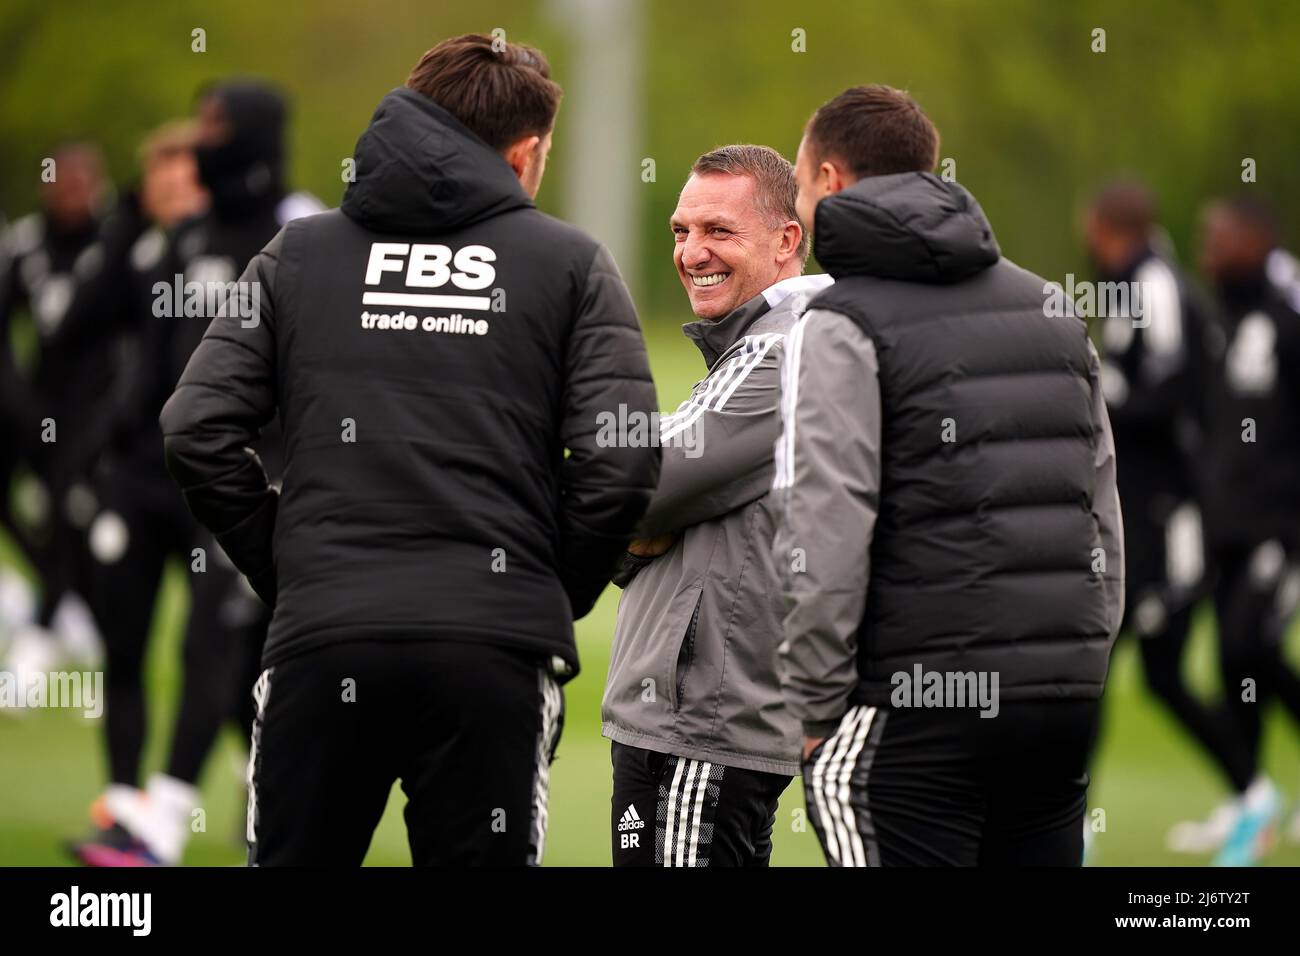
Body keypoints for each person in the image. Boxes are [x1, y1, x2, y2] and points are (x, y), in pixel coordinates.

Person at [158, 34, 661, 866]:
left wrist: (290, 567)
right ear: (526, 152)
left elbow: (195, 428)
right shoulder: (571, 263)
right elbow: (623, 457)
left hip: (324, 640)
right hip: (490, 655)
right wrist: (542, 587)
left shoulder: (301, 253)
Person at [773, 85, 1124, 866]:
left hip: (914, 706)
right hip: (1058, 703)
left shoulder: (841, 320)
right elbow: (1101, 515)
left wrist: (815, 703)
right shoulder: (1055, 309)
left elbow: (828, 527)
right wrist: (1076, 666)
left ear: (830, 180)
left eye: (800, 182)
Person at [71, 87, 321, 866]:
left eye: (215, 127)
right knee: (129, 637)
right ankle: (127, 808)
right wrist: (103, 467)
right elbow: (136, 358)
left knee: (214, 644)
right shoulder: (184, 238)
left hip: (249, 477)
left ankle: (168, 818)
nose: (202, 144)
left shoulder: (299, 231)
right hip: (151, 474)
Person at [602, 145, 827, 867]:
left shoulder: (782, 348)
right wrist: (629, 531)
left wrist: (626, 524)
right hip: (690, 722)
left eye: (718, 231)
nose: (693, 251)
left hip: (701, 725)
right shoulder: (755, 344)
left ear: (786, 240)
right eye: (679, 231)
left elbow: (643, 477)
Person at [1082, 180, 1250, 854]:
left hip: (1170, 516)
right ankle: (1252, 795)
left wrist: (1099, 392)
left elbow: (1172, 390)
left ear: (1103, 227)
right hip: (1144, 510)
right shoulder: (1135, 283)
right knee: (1141, 670)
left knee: (1115, 662)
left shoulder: (1152, 284)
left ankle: (1072, 825)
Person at [1196, 196, 1300, 866]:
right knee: (1235, 662)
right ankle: (1252, 809)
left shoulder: (1288, 320)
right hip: (1226, 522)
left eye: (1221, 237)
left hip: (1280, 525)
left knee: (1250, 642)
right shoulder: (1223, 320)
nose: (1208, 249)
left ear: (1258, 240)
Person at [0, 143, 111, 685]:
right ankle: (58, 598)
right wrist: (21, 404)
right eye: (60, 182)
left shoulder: (117, 244)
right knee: (48, 517)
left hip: (98, 414)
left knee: (75, 513)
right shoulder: (24, 246)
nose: (70, 193)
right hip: (33, 406)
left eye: (80, 182)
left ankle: (48, 628)